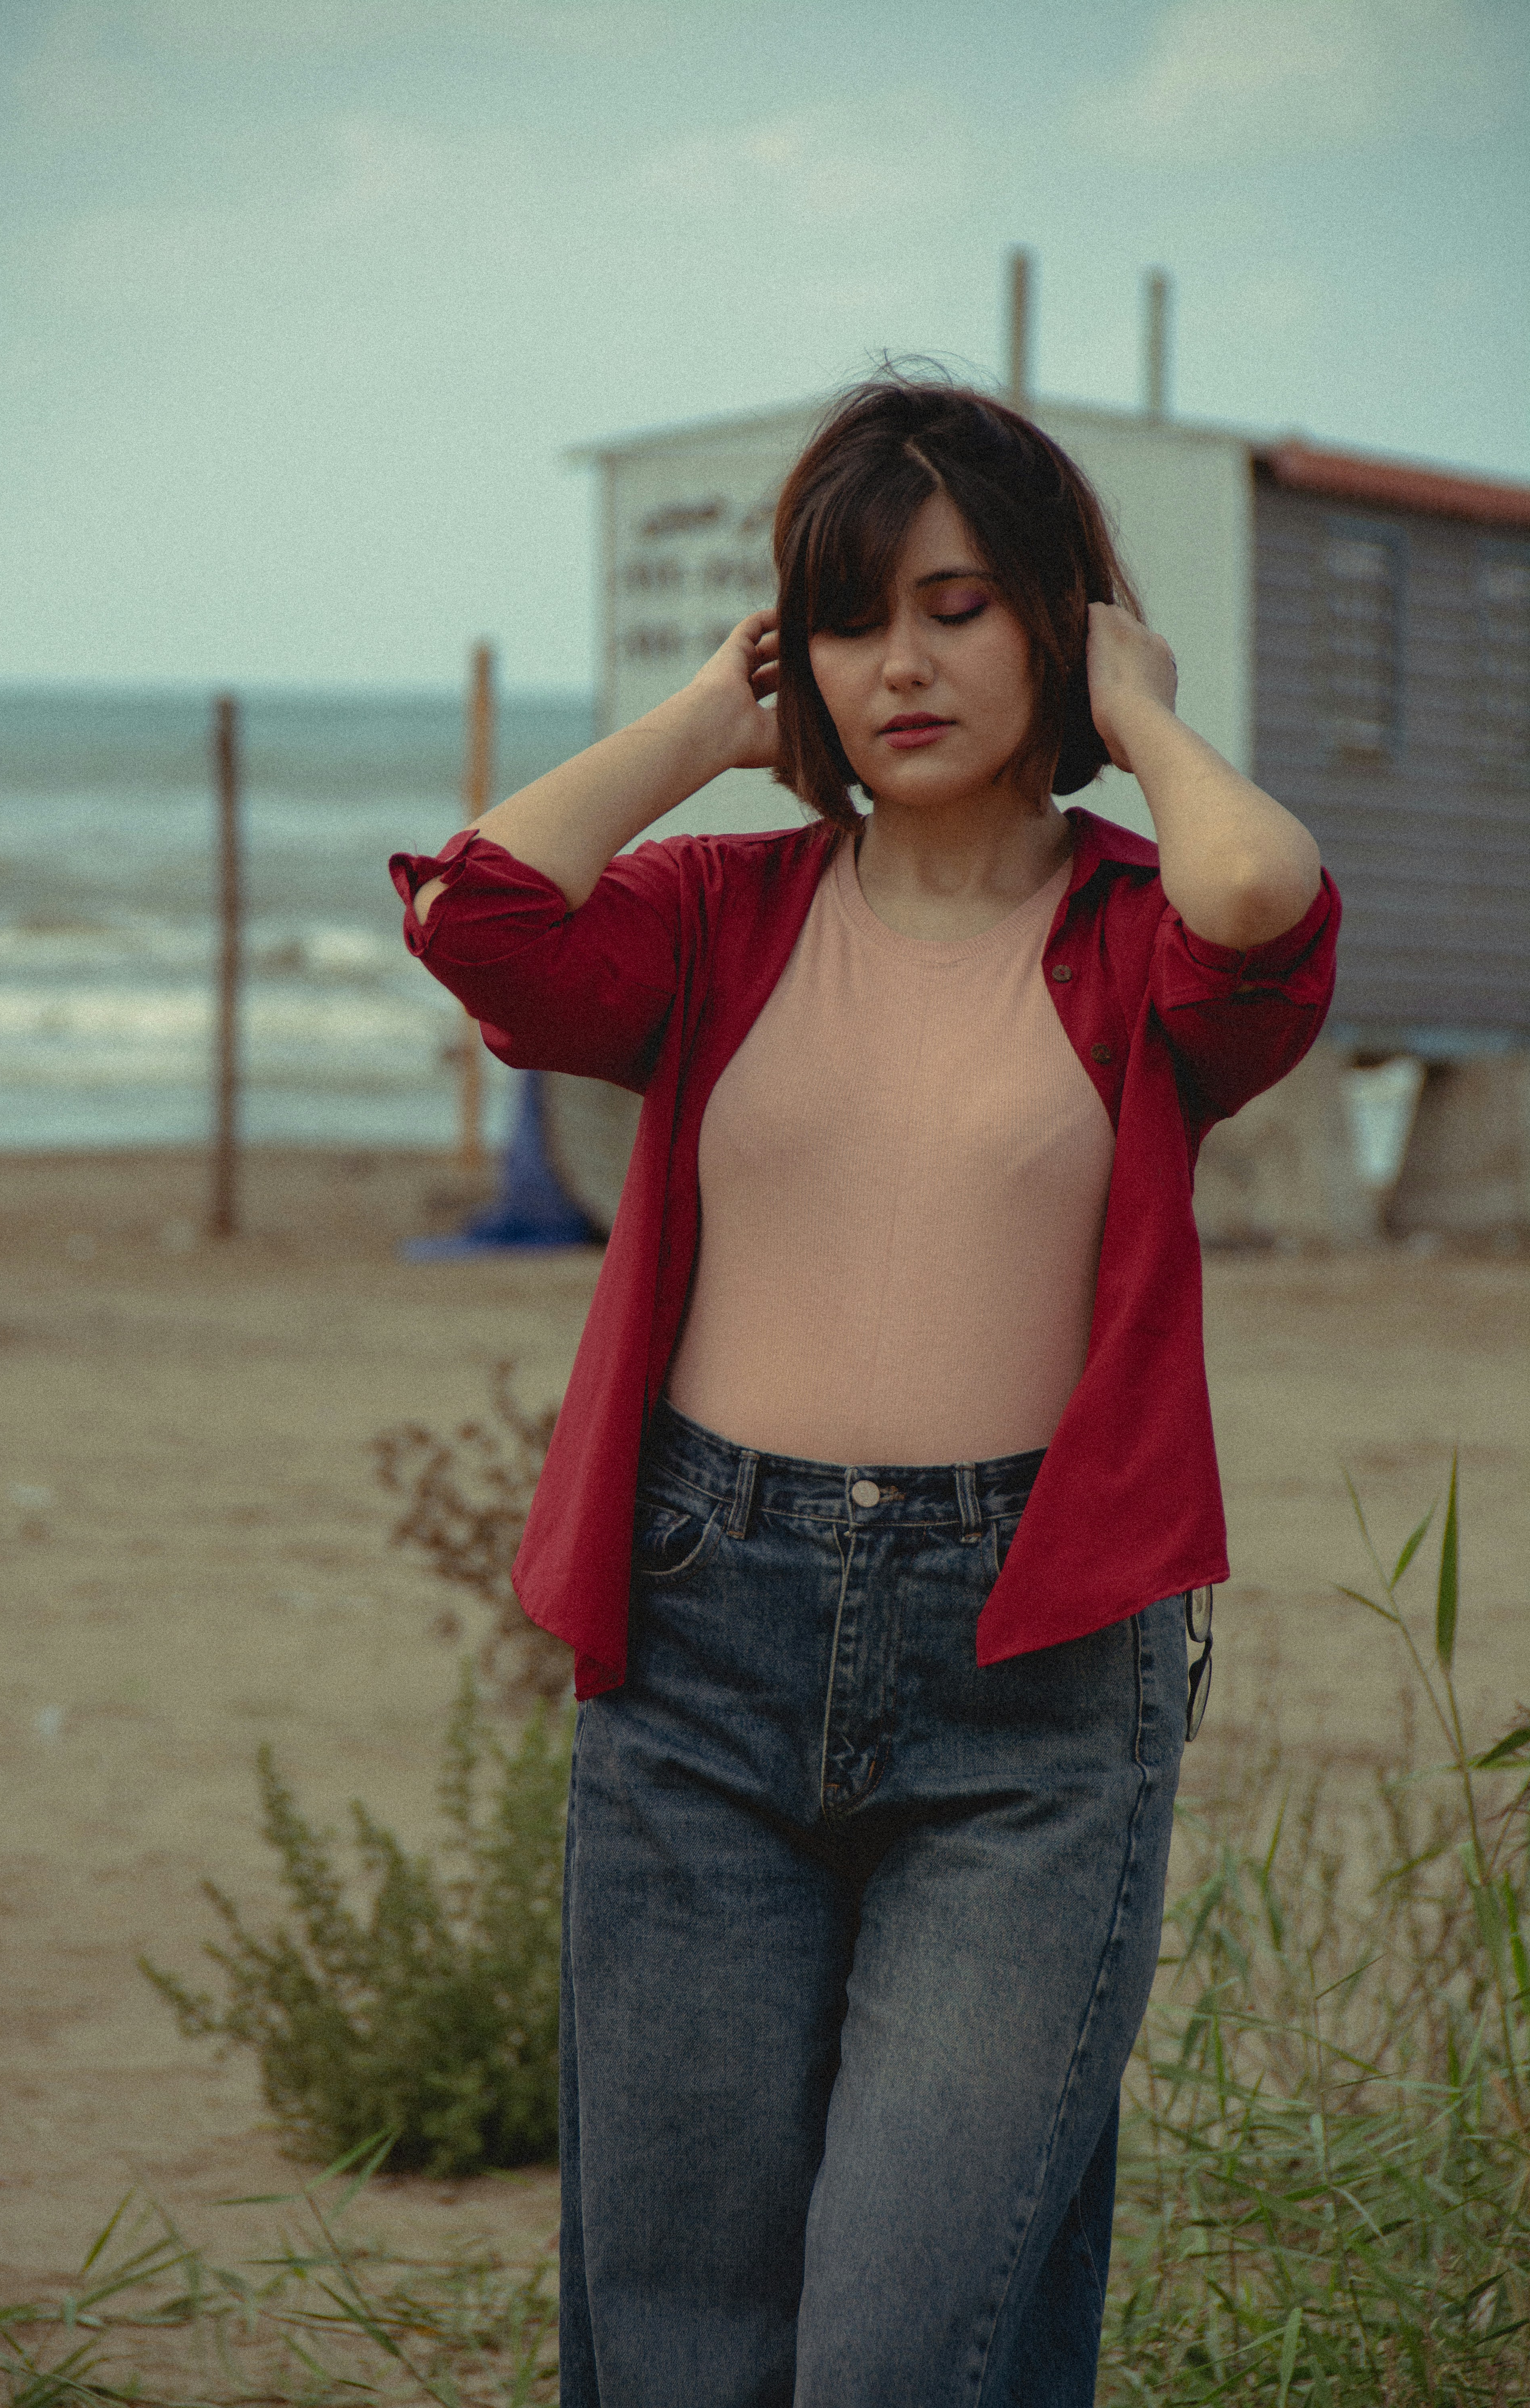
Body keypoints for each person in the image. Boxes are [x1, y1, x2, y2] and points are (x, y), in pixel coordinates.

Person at [390, 376, 1337, 2408]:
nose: (898, 664)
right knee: (684, 2337)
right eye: (845, 620)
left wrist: (1143, 711)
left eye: (957, 607)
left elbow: (1261, 895)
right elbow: (476, 916)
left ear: (1059, 623)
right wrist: (699, 728)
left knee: (913, 2343)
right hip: (700, 1657)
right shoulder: (717, 915)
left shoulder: (1135, 940)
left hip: (1032, 1689)